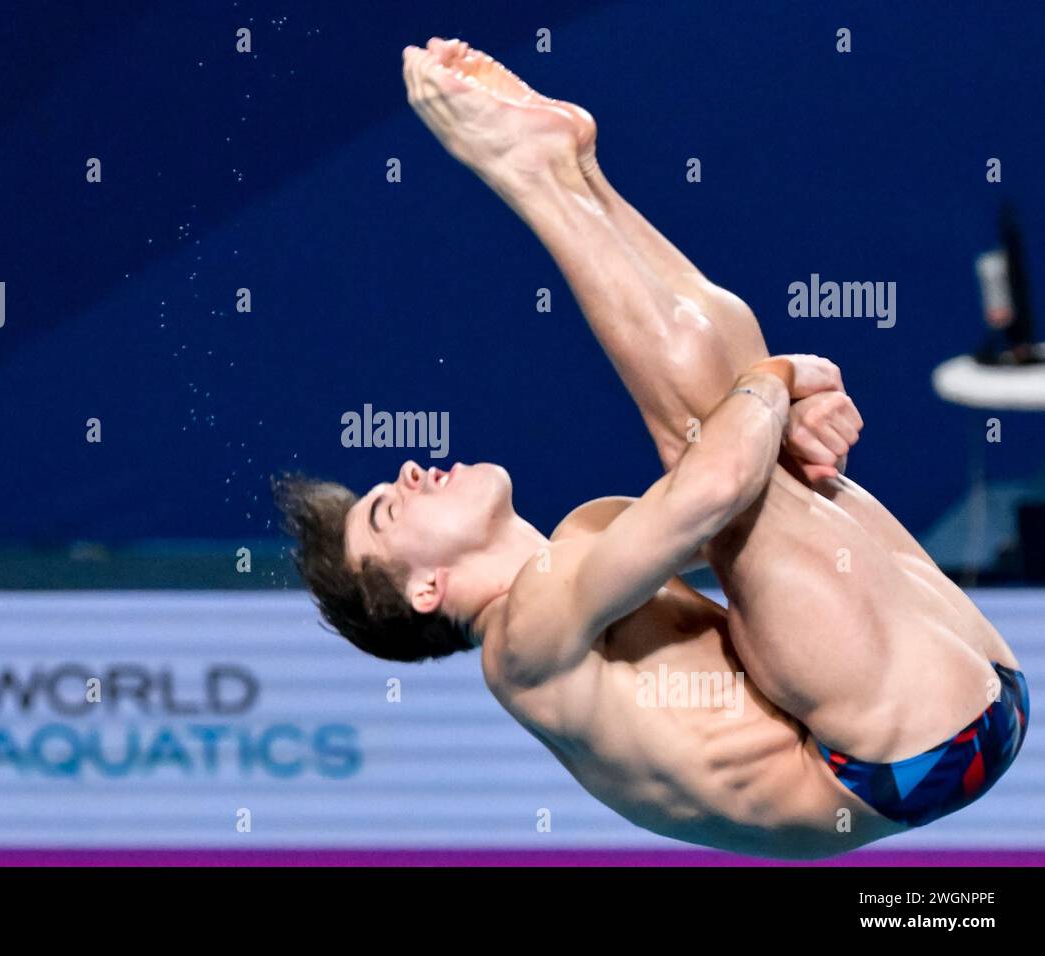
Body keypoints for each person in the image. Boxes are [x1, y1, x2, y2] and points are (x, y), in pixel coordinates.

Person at [274, 39, 1028, 858]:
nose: (410, 471)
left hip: (977, 691)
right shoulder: (520, 645)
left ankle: (574, 170)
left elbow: (743, 469)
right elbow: (716, 481)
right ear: (427, 590)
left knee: (729, 428)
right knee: (712, 439)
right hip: (906, 756)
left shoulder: (591, 536)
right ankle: (539, 177)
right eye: (388, 509)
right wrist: (784, 381)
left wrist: (790, 412)